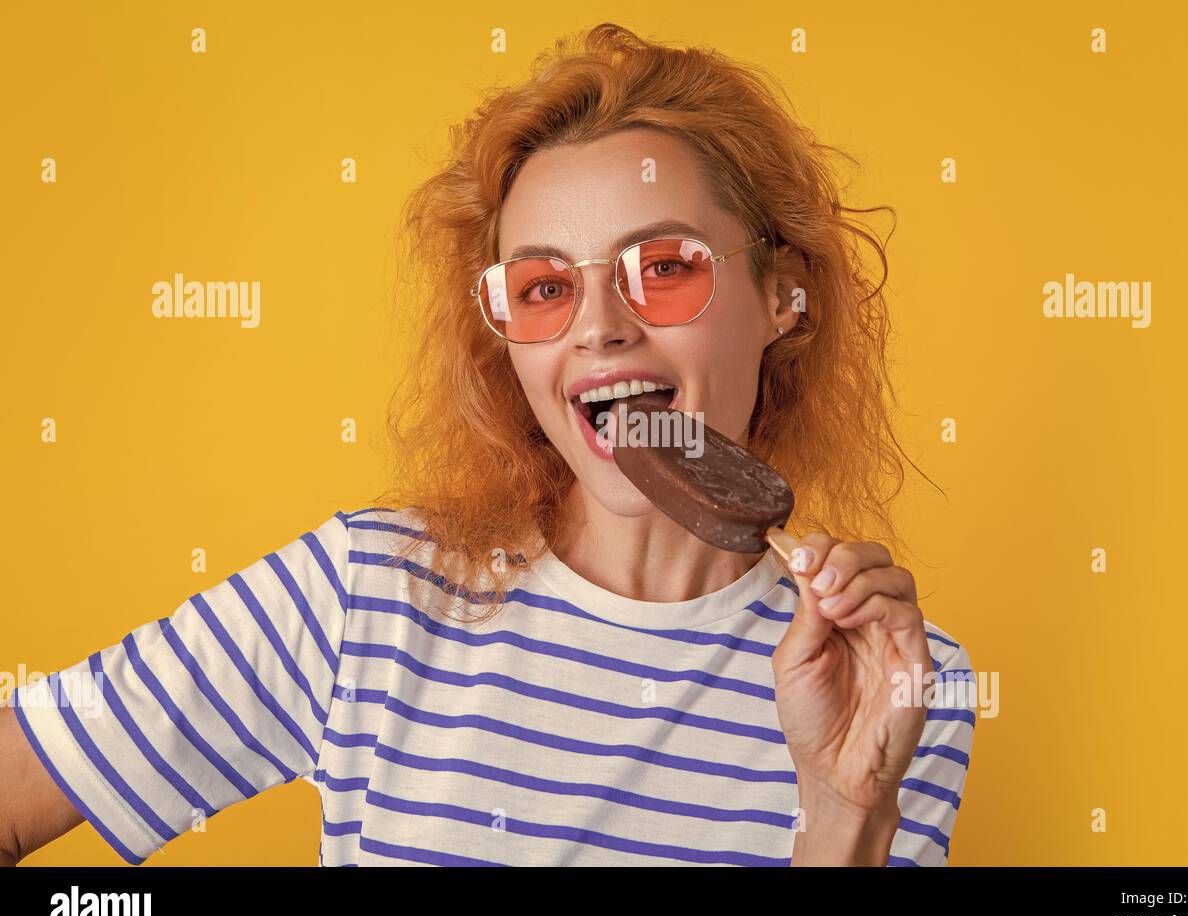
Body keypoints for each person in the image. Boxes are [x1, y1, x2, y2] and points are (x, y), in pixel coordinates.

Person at [0, 22, 975, 867]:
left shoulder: (886, 675)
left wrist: (848, 810)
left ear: (780, 294)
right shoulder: (363, 599)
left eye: (662, 266)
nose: (599, 325)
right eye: (544, 287)